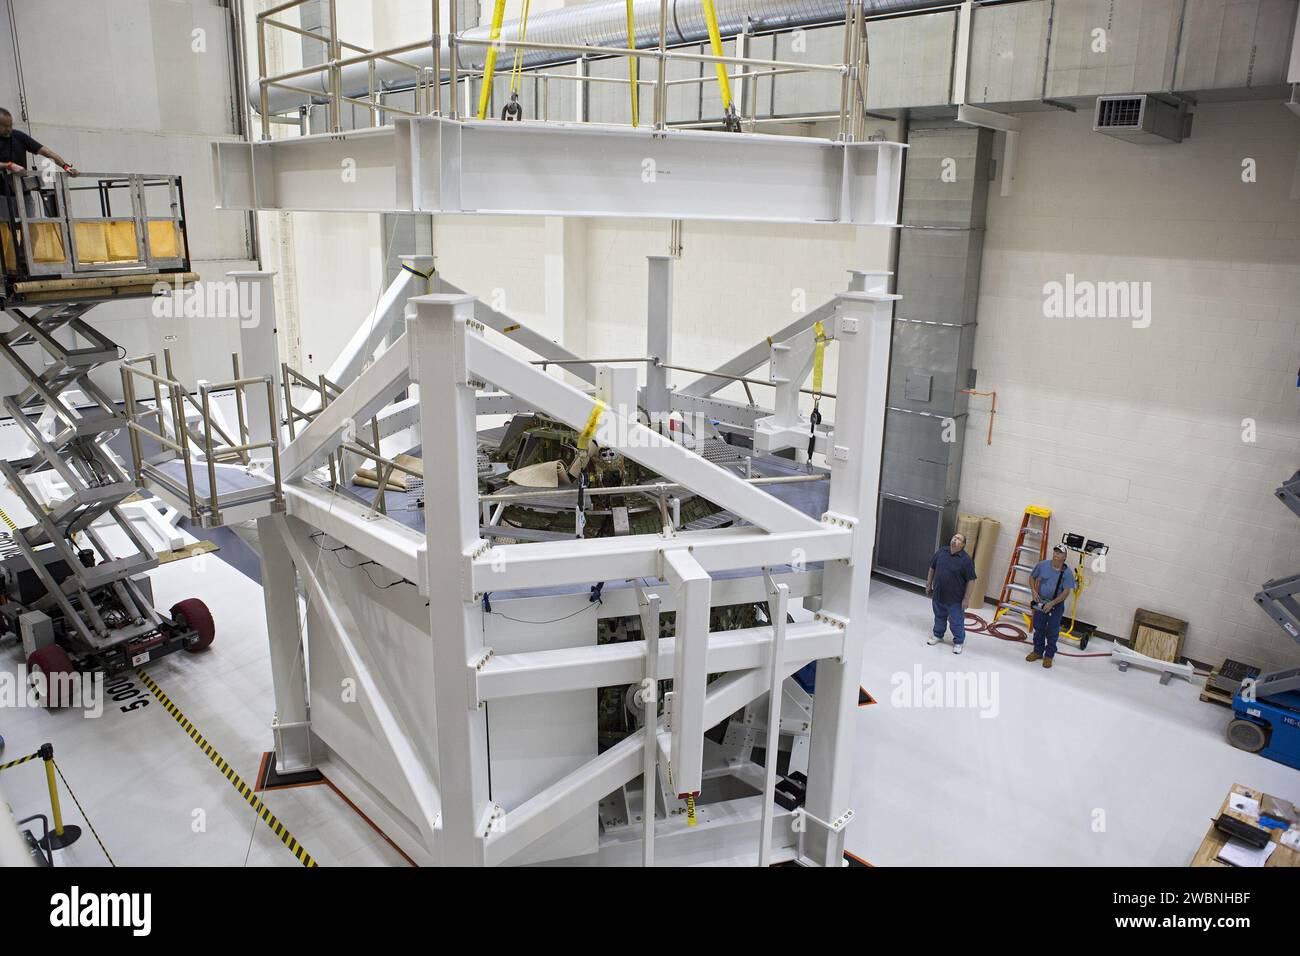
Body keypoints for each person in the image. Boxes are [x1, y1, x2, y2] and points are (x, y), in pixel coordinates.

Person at [0, 108, 78, 217]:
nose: (9, 129)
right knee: (5, 231)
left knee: (31, 227)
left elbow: (47, 152)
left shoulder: (18, 136)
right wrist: (9, 165)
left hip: (23, 193)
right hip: (2, 195)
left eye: (10, 125)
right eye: (5, 126)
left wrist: (66, 167)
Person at [1025, 542, 1076, 669]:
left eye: (1060, 553)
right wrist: (1033, 591)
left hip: (1056, 605)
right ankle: (1037, 651)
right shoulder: (1042, 565)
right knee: (1039, 627)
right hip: (1041, 602)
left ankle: (1049, 656)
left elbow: (1066, 592)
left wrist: (1053, 603)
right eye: (1056, 551)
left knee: (1053, 631)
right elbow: (1032, 577)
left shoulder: (1067, 573)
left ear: (1065, 557)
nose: (1057, 554)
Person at [926, 532, 978, 655]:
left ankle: (958, 642)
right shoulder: (941, 552)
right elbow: (932, 568)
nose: (955, 539)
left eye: (959, 539)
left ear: (963, 544)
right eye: (954, 537)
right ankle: (938, 635)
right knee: (939, 617)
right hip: (938, 595)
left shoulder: (966, 560)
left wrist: (966, 598)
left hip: (955, 599)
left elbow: (971, 580)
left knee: (956, 621)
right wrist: (929, 584)